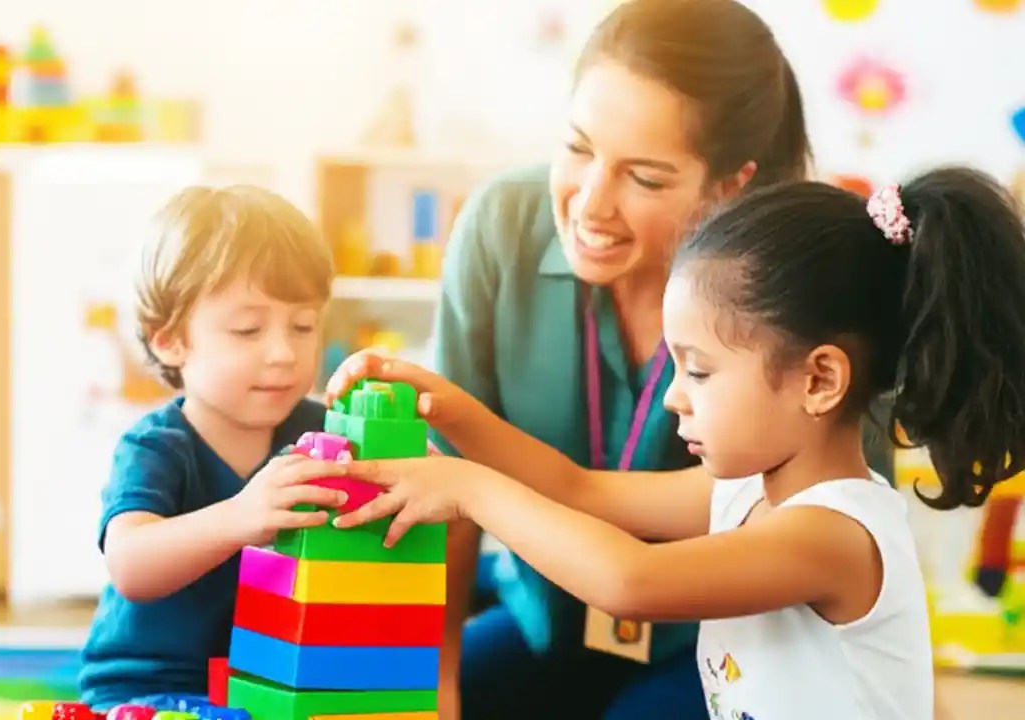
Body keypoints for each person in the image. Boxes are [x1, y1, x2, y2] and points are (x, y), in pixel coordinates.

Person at [318, 167, 1025, 720]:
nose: (673, 395)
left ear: (820, 379)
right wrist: (444, 405)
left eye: (701, 369)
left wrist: (470, 491)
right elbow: (580, 488)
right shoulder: (748, 493)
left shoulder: (836, 533)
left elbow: (631, 581)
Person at [385, 0, 865, 716]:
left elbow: (634, 561)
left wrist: (472, 482)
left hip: (727, 648)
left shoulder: (804, 276)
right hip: (545, 622)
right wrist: (435, 686)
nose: (590, 204)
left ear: (730, 184)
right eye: (577, 148)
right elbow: (460, 485)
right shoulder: (501, 225)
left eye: (644, 177)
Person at [78, 185, 350, 710]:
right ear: (170, 341)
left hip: (281, 688)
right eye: (248, 330)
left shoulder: (325, 434)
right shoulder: (157, 446)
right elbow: (131, 565)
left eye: (303, 326)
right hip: (155, 686)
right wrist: (242, 515)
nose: (282, 353)